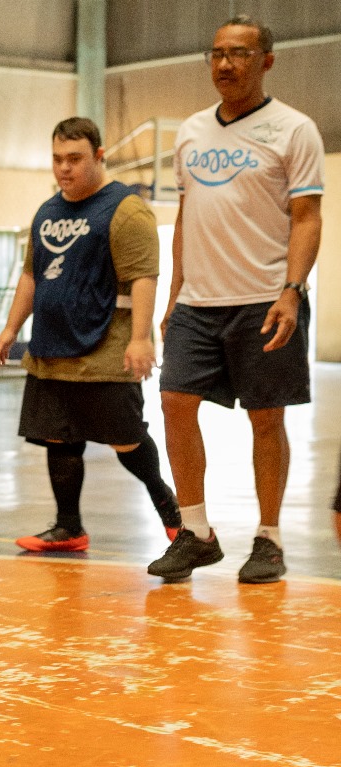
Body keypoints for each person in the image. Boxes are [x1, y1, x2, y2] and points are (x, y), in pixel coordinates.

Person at [148, 15, 324, 584]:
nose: (225, 64)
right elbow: (186, 218)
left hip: (264, 299)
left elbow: (307, 218)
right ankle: (195, 532)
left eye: (240, 54)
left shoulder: (294, 130)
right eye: (218, 53)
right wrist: (174, 294)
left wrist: (292, 291)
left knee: (265, 419)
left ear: (266, 61)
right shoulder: (192, 132)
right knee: (174, 402)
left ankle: (268, 539)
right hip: (198, 303)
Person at [0, 117, 181, 553]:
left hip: (105, 347)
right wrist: (10, 328)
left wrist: (140, 339)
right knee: (58, 435)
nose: (64, 169)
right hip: (51, 346)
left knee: (126, 437)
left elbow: (143, 278)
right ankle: (68, 527)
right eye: (57, 159)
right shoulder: (47, 210)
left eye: (74, 159)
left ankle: (174, 516)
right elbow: (30, 276)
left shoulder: (125, 209)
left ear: (98, 156)